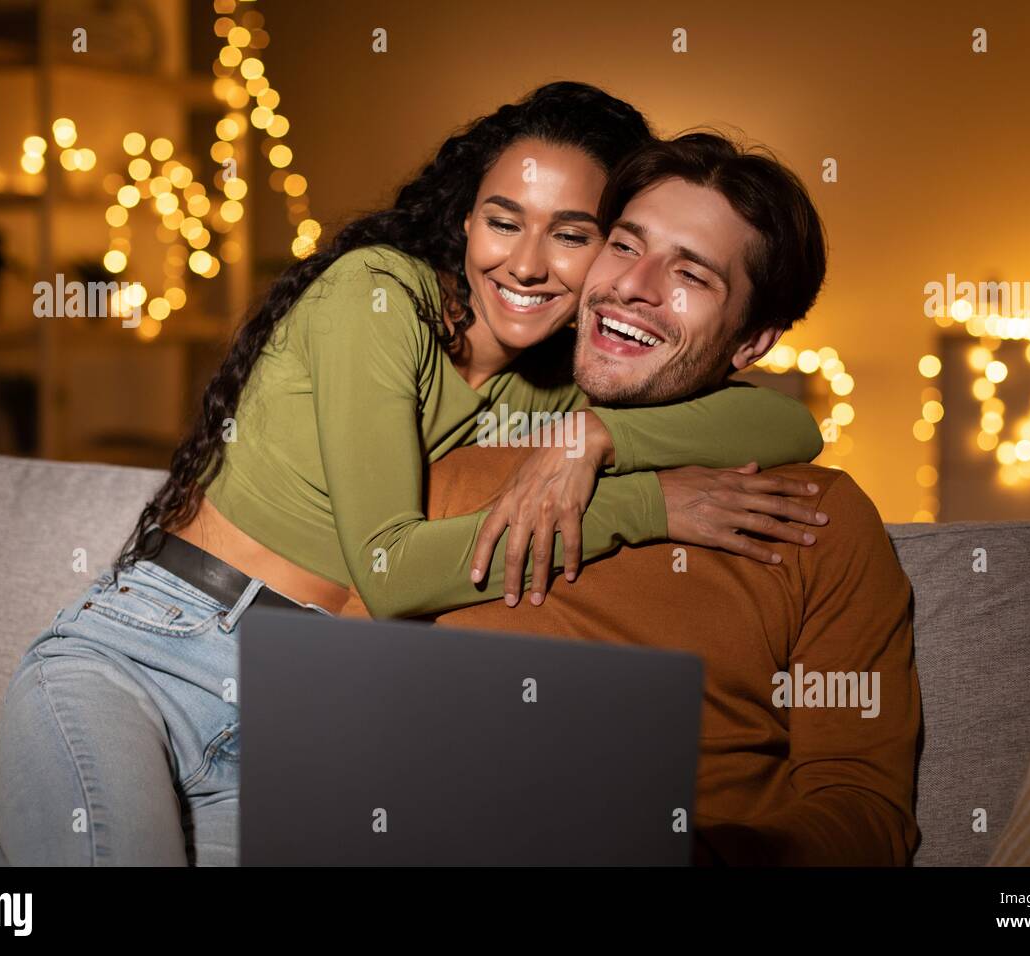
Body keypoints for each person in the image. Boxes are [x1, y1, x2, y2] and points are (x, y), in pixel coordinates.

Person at [0, 85, 827, 867]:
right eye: (504, 221)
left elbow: (787, 420)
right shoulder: (380, 295)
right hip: (142, 661)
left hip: (304, 713)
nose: (528, 264)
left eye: (574, 235)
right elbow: (391, 567)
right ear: (466, 220)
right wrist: (647, 500)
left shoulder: (552, 398)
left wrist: (592, 445)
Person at [348, 132, 922, 864]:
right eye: (624, 246)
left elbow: (864, 810)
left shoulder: (813, 517)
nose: (634, 286)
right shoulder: (450, 473)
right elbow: (336, 718)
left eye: (693, 275)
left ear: (751, 343)